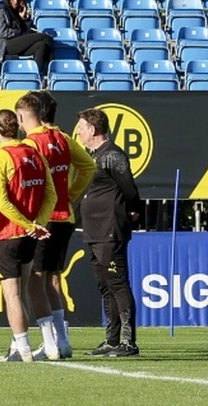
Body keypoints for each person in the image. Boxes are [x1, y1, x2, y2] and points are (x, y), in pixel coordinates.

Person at [16, 91, 94, 361]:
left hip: (43, 218)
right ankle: (63, 340)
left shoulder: (31, 143)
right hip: (65, 217)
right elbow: (88, 166)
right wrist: (70, 194)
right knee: (53, 279)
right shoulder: (63, 139)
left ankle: (49, 343)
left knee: (35, 282)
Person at [0, 109, 55, 363]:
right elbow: (51, 195)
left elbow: (2, 202)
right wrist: (37, 224)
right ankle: (21, 346)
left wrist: (28, 224)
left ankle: (23, 350)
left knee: (12, 295)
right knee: (22, 292)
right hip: (29, 235)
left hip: (8, 233)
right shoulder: (35, 154)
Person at [74, 107, 142, 358]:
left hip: (109, 230)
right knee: (105, 286)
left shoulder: (112, 155)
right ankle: (112, 340)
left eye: (81, 128)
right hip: (94, 232)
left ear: (92, 129)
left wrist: (133, 211)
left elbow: (130, 190)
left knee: (118, 284)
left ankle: (128, 342)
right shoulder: (92, 157)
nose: (78, 133)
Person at [0, 0, 54, 73]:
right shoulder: (1, 11)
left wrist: (24, 18)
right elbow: (2, 33)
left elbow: (28, 30)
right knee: (44, 37)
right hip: (4, 44)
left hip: (16, 42)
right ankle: (53, 70)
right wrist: (19, 32)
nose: (16, 1)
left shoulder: (16, 11)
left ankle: (36, 74)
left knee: (41, 45)